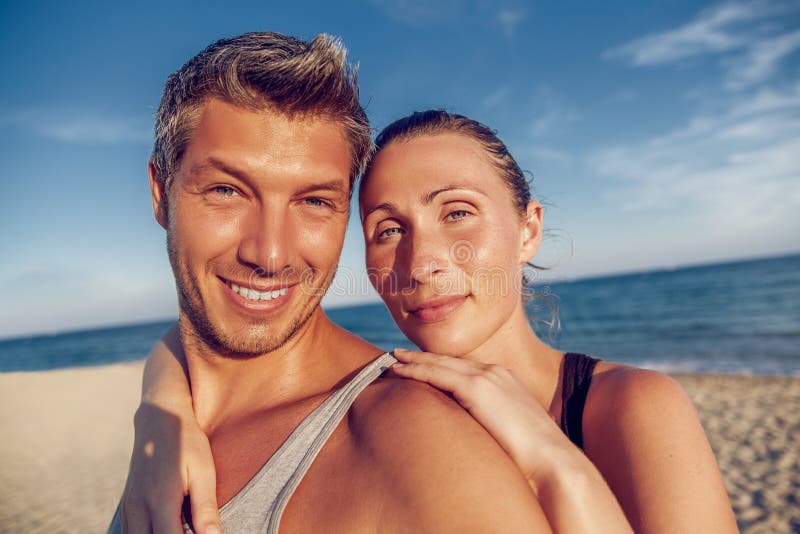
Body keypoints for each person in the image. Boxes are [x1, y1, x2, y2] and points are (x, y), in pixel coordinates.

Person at [121, 106, 741, 533]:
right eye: (388, 230)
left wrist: (554, 460)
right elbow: (212, 326)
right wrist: (163, 403)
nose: (421, 264)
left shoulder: (629, 406)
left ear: (528, 229)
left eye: (458, 213)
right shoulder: (390, 401)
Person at [108, 32, 559, 534]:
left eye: (314, 202)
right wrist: (159, 402)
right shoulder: (172, 414)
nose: (270, 254)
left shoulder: (413, 443)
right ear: (159, 192)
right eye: (226, 190)